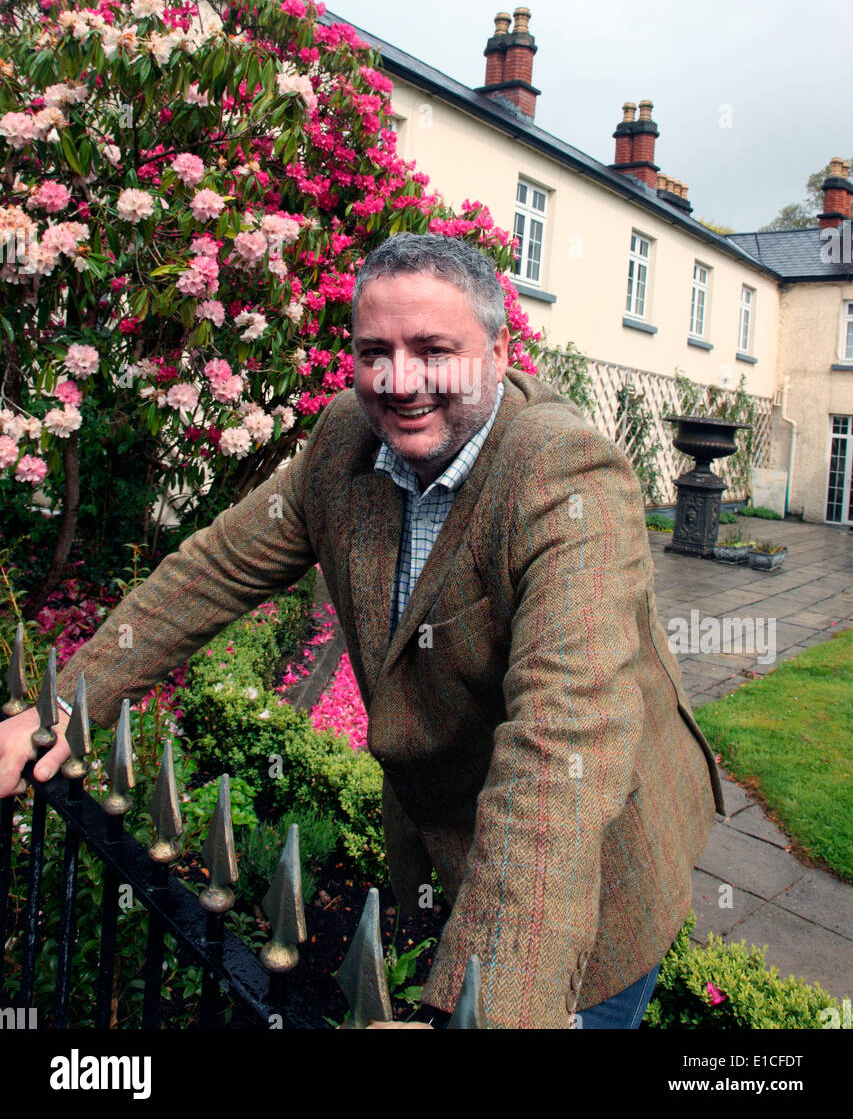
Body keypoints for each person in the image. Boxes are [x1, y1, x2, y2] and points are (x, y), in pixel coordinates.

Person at [0, 232, 724, 1029]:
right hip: (448, 828)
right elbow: (210, 572)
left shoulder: (563, 478)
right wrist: (58, 712)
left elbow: (564, 746)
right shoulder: (349, 433)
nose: (399, 381)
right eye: (373, 350)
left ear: (497, 350)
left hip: (585, 875)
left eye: (433, 350)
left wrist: (484, 1011)